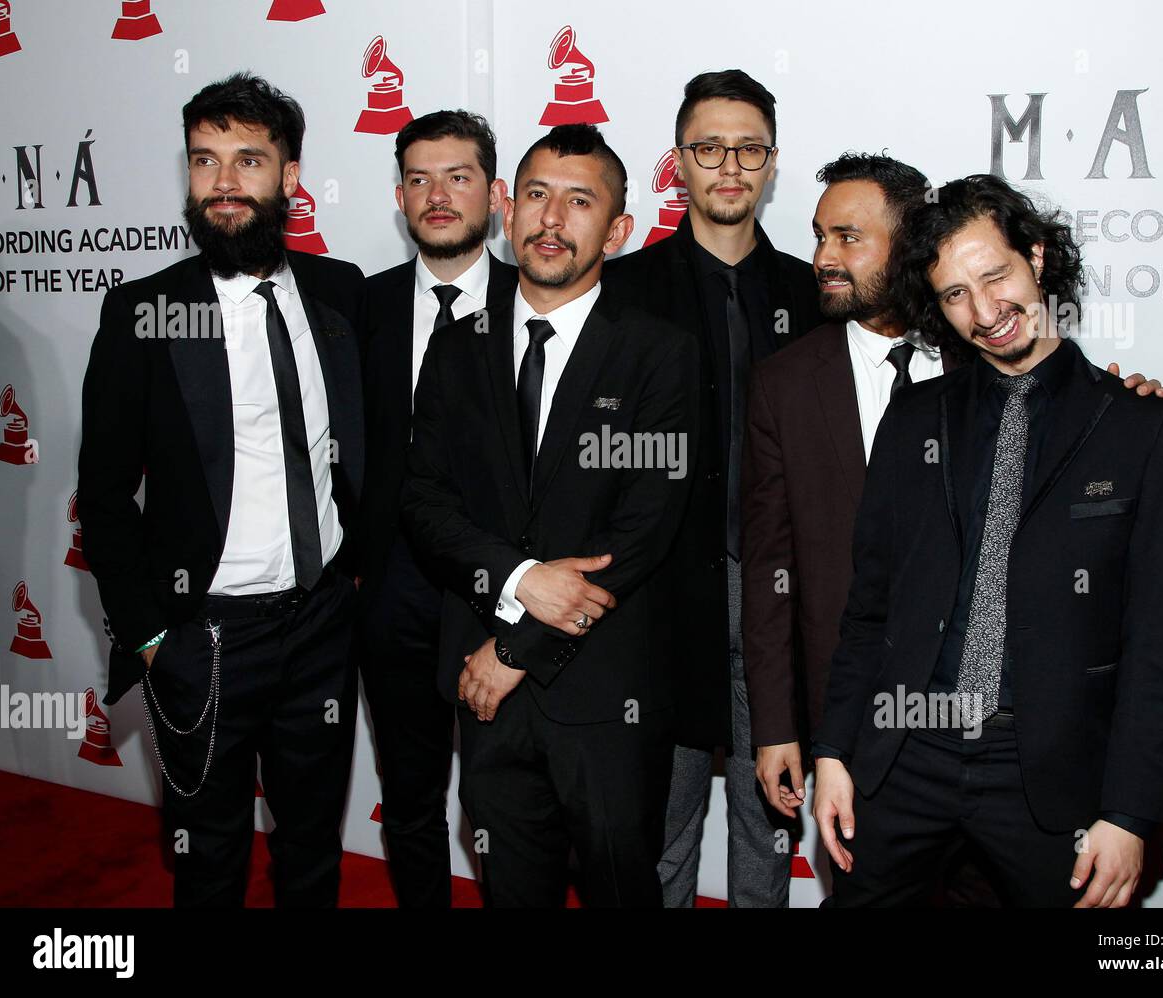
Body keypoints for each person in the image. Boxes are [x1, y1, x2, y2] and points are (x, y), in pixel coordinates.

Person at [743, 154, 1163, 905]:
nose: (984, 312)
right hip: (903, 751)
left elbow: (1153, 646)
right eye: (954, 294)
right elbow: (869, 606)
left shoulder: (1138, 428)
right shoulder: (916, 417)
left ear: (1036, 257)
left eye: (996, 277)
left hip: (1045, 769)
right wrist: (837, 751)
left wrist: (1129, 812)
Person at [77, 73, 367, 907]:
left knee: (312, 852)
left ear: (292, 176)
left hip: (320, 623)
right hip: (200, 637)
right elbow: (101, 498)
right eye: (206, 161)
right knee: (208, 862)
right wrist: (150, 639)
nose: (226, 182)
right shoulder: (142, 312)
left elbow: (364, 453)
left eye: (249, 159)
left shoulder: (339, 291)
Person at [401, 124, 698, 906]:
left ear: (620, 230)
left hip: (604, 694)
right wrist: (519, 579)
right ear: (506, 209)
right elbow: (424, 501)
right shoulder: (456, 345)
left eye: (579, 200)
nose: (551, 219)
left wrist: (517, 647)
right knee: (511, 890)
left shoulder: (659, 354)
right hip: (485, 693)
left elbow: (643, 529)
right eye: (535, 195)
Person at [606, 68, 819, 908]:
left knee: (770, 831)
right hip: (660, 603)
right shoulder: (620, 292)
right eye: (708, 149)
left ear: (771, 163)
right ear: (678, 163)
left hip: (785, 599)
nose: (729, 166)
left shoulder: (816, 293)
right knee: (663, 830)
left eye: (749, 149)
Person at [357, 110, 516, 908]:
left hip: (505, 597)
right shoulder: (362, 307)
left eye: (458, 177)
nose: (438, 195)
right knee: (412, 799)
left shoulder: (542, 302)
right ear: (400, 197)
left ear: (495, 194)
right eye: (420, 179)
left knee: (504, 803)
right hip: (391, 595)